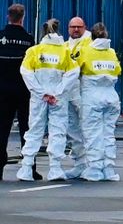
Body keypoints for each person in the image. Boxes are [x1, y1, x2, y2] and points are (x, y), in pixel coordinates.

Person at [17, 18, 78, 182]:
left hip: (39, 98)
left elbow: (26, 72)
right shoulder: (65, 52)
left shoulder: (34, 51)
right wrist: (57, 92)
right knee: (58, 131)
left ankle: (26, 168)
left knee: (34, 131)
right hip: (58, 99)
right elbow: (73, 73)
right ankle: (55, 169)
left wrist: (41, 93)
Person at [77, 22, 122, 182]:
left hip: (92, 97)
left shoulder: (85, 50)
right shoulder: (111, 52)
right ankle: (109, 168)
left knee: (92, 133)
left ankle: (95, 169)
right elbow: (118, 70)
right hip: (111, 97)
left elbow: (76, 70)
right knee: (108, 134)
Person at [0, 3, 34, 180]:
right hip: (23, 92)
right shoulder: (29, 40)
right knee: (27, 130)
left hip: (2, 91)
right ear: (23, 17)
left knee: (2, 130)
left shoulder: (0, 37)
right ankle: (30, 167)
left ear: (8, 16)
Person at [63, 15, 92, 179]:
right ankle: (80, 163)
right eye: (72, 27)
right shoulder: (65, 45)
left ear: (84, 27)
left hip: (85, 93)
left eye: (78, 27)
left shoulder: (90, 42)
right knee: (72, 130)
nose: (75, 30)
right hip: (70, 93)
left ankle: (92, 163)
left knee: (88, 129)